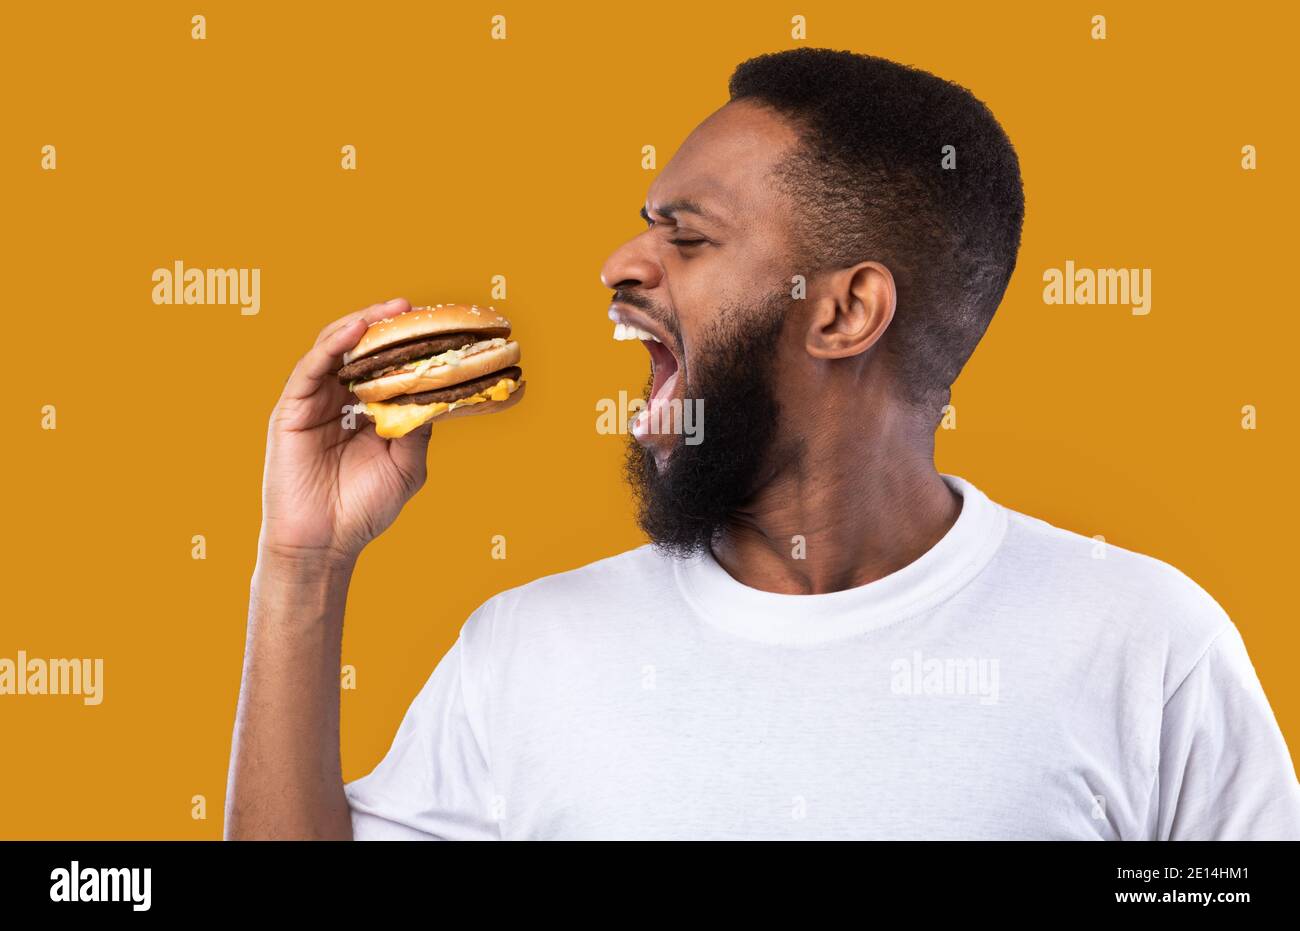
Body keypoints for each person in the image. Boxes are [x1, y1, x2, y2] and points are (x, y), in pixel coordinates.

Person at [225, 48, 1300, 840]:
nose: (621, 263)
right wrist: (302, 563)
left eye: (686, 236)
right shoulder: (529, 653)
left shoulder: (1146, 647)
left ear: (844, 311)